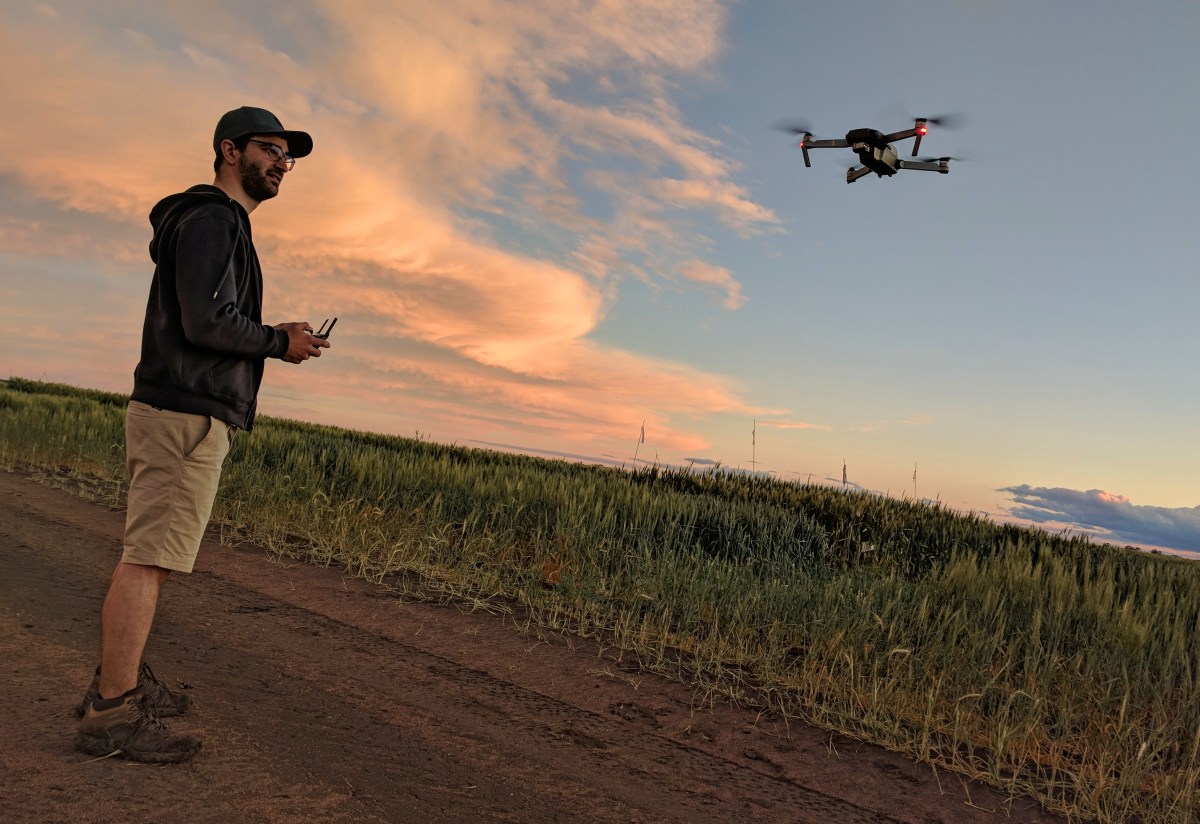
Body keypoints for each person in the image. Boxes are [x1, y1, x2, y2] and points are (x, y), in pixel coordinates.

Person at [76, 106, 331, 763]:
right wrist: (279, 340)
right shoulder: (215, 219)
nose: (282, 163)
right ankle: (111, 712)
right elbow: (204, 321)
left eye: (289, 156)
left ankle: (122, 681)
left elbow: (206, 316)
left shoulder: (213, 223)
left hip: (181, 410)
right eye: (270, 149)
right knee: (148, 557)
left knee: (151, 554)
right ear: (229, 150)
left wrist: (273, 338)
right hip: (185, 413)